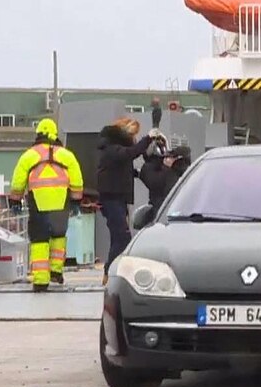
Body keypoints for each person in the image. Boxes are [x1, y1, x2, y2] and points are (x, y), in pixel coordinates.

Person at [9, 119, 84, 292]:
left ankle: (41, 280)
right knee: (58, 236)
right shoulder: (66, 155)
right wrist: (76, 200)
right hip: (61, 202)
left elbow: (18, 179)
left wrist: (15, 199)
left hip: (39, 202)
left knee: (39, 239)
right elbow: (77, 178)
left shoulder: (30, 155)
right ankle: (56, 272)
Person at [96, 117, 158, 284]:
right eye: (132, 135)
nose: (134, 139)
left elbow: (125, 164)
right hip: (112, 198)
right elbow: (130, 154)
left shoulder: (114, 149)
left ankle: (112, 272)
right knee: (122, 237)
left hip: (118, 198)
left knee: (118, 237)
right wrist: (148, 139)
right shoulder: (112, 149)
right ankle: (110, 271)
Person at [138, 142, 181, 218]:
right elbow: (155, 183)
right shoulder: (149, 167)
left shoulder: (172, 168)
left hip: (172, 206)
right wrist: (167, 168)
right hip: (158, 208)